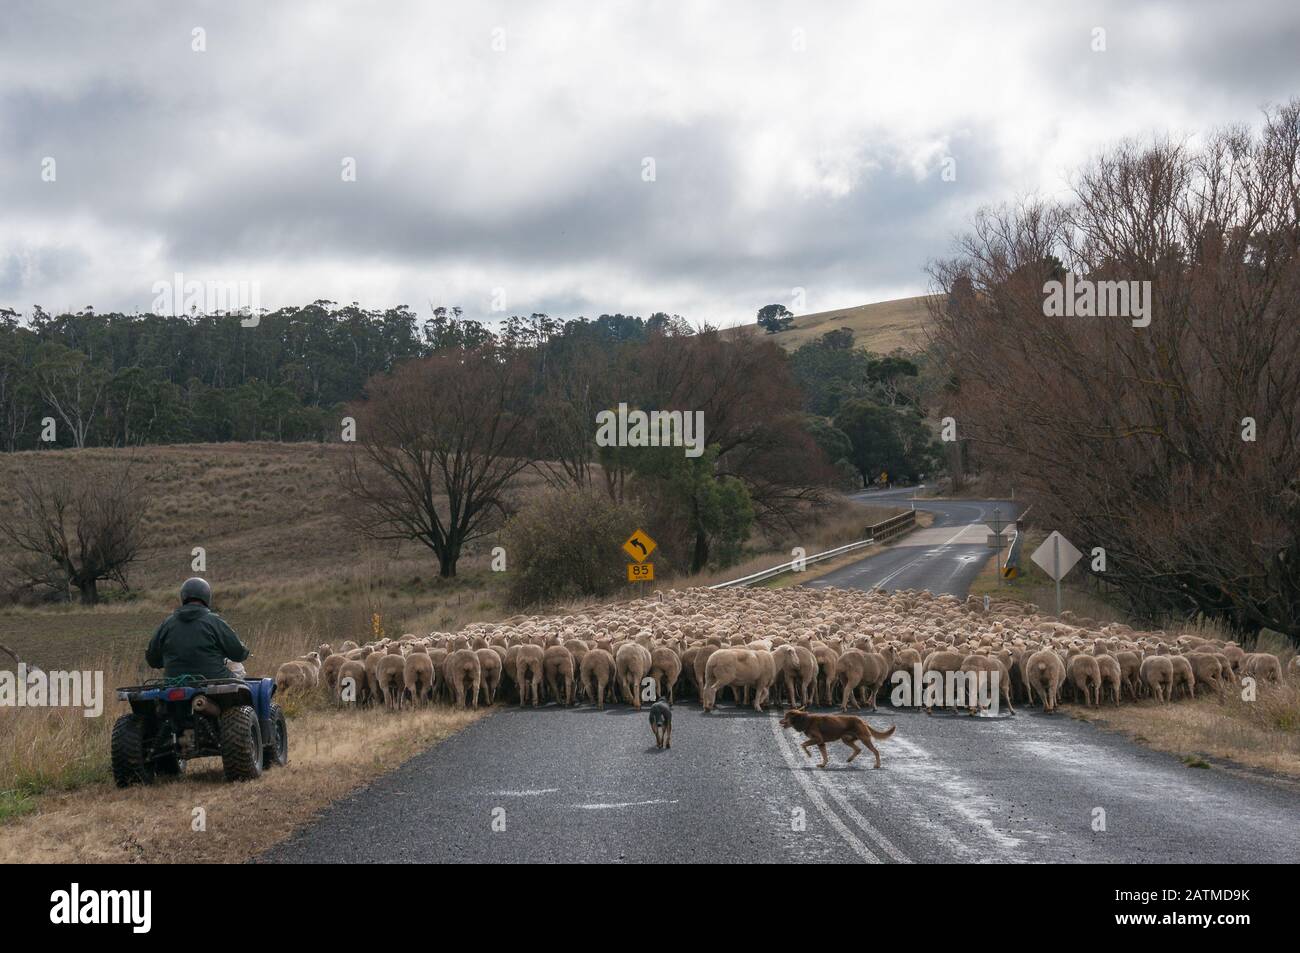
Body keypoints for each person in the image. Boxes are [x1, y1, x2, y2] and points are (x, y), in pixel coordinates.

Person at [146, 577, 250, 680]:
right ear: (206, 597)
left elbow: (152, 660)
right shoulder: (215, 622)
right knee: (238, 670)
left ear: (183, 597)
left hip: (174, 684)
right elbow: (239, 654)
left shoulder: (167, 624)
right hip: (216, 681)